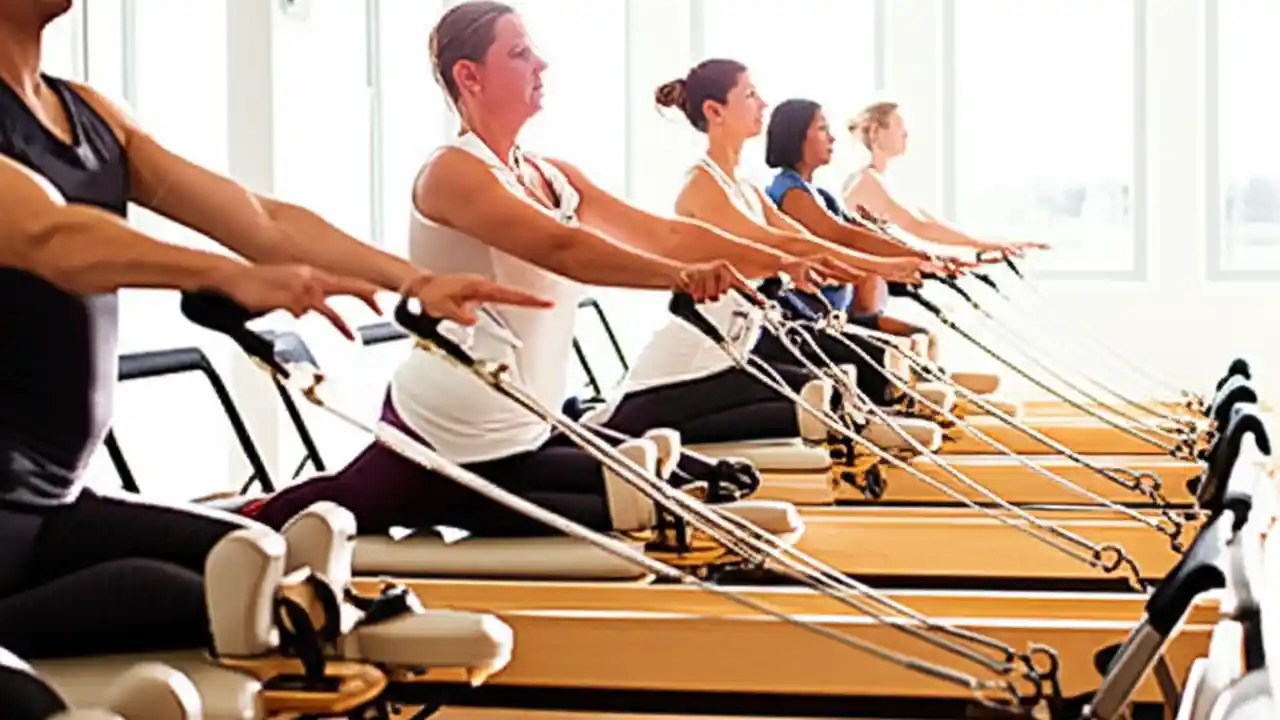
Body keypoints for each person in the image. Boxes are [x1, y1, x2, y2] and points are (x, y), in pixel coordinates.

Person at [0, 0, 552, 660]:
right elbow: (51, 237)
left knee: (258, 555)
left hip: (56, 501)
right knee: (197, 595)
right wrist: (224, 275)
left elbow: (264, 219)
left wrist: (413, 280)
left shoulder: (84, 113)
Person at [244, 0, 866, 536]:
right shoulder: (452, 172)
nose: (541, 65)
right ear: (470, 75)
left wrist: (793, 258)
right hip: (448, 435)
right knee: (644, 504)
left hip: (524, 424)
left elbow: (663, 233)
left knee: (680, 484)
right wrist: (681, 277)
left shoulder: (551, 173)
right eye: (519, 54)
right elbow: (562, 250)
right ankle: (234, 523)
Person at [603, 59, 937, 412]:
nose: (762, 104)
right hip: (696, 364)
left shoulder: (746, 189)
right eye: (750, 94)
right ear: (715, 111)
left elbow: (808, 242)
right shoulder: (702, 186)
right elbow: (781, 244)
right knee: (838, 395)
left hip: (741, 345)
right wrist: (887, 264)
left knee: (857, 386)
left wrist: (899, 262)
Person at [842, 101, 1049, 260]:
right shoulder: (867, 183)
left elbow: (930, 221)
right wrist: (980, 244)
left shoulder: (884, 179)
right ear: (877, 132)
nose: (906, 134)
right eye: (899, 127)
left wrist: (999, 243)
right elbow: (919, 227)